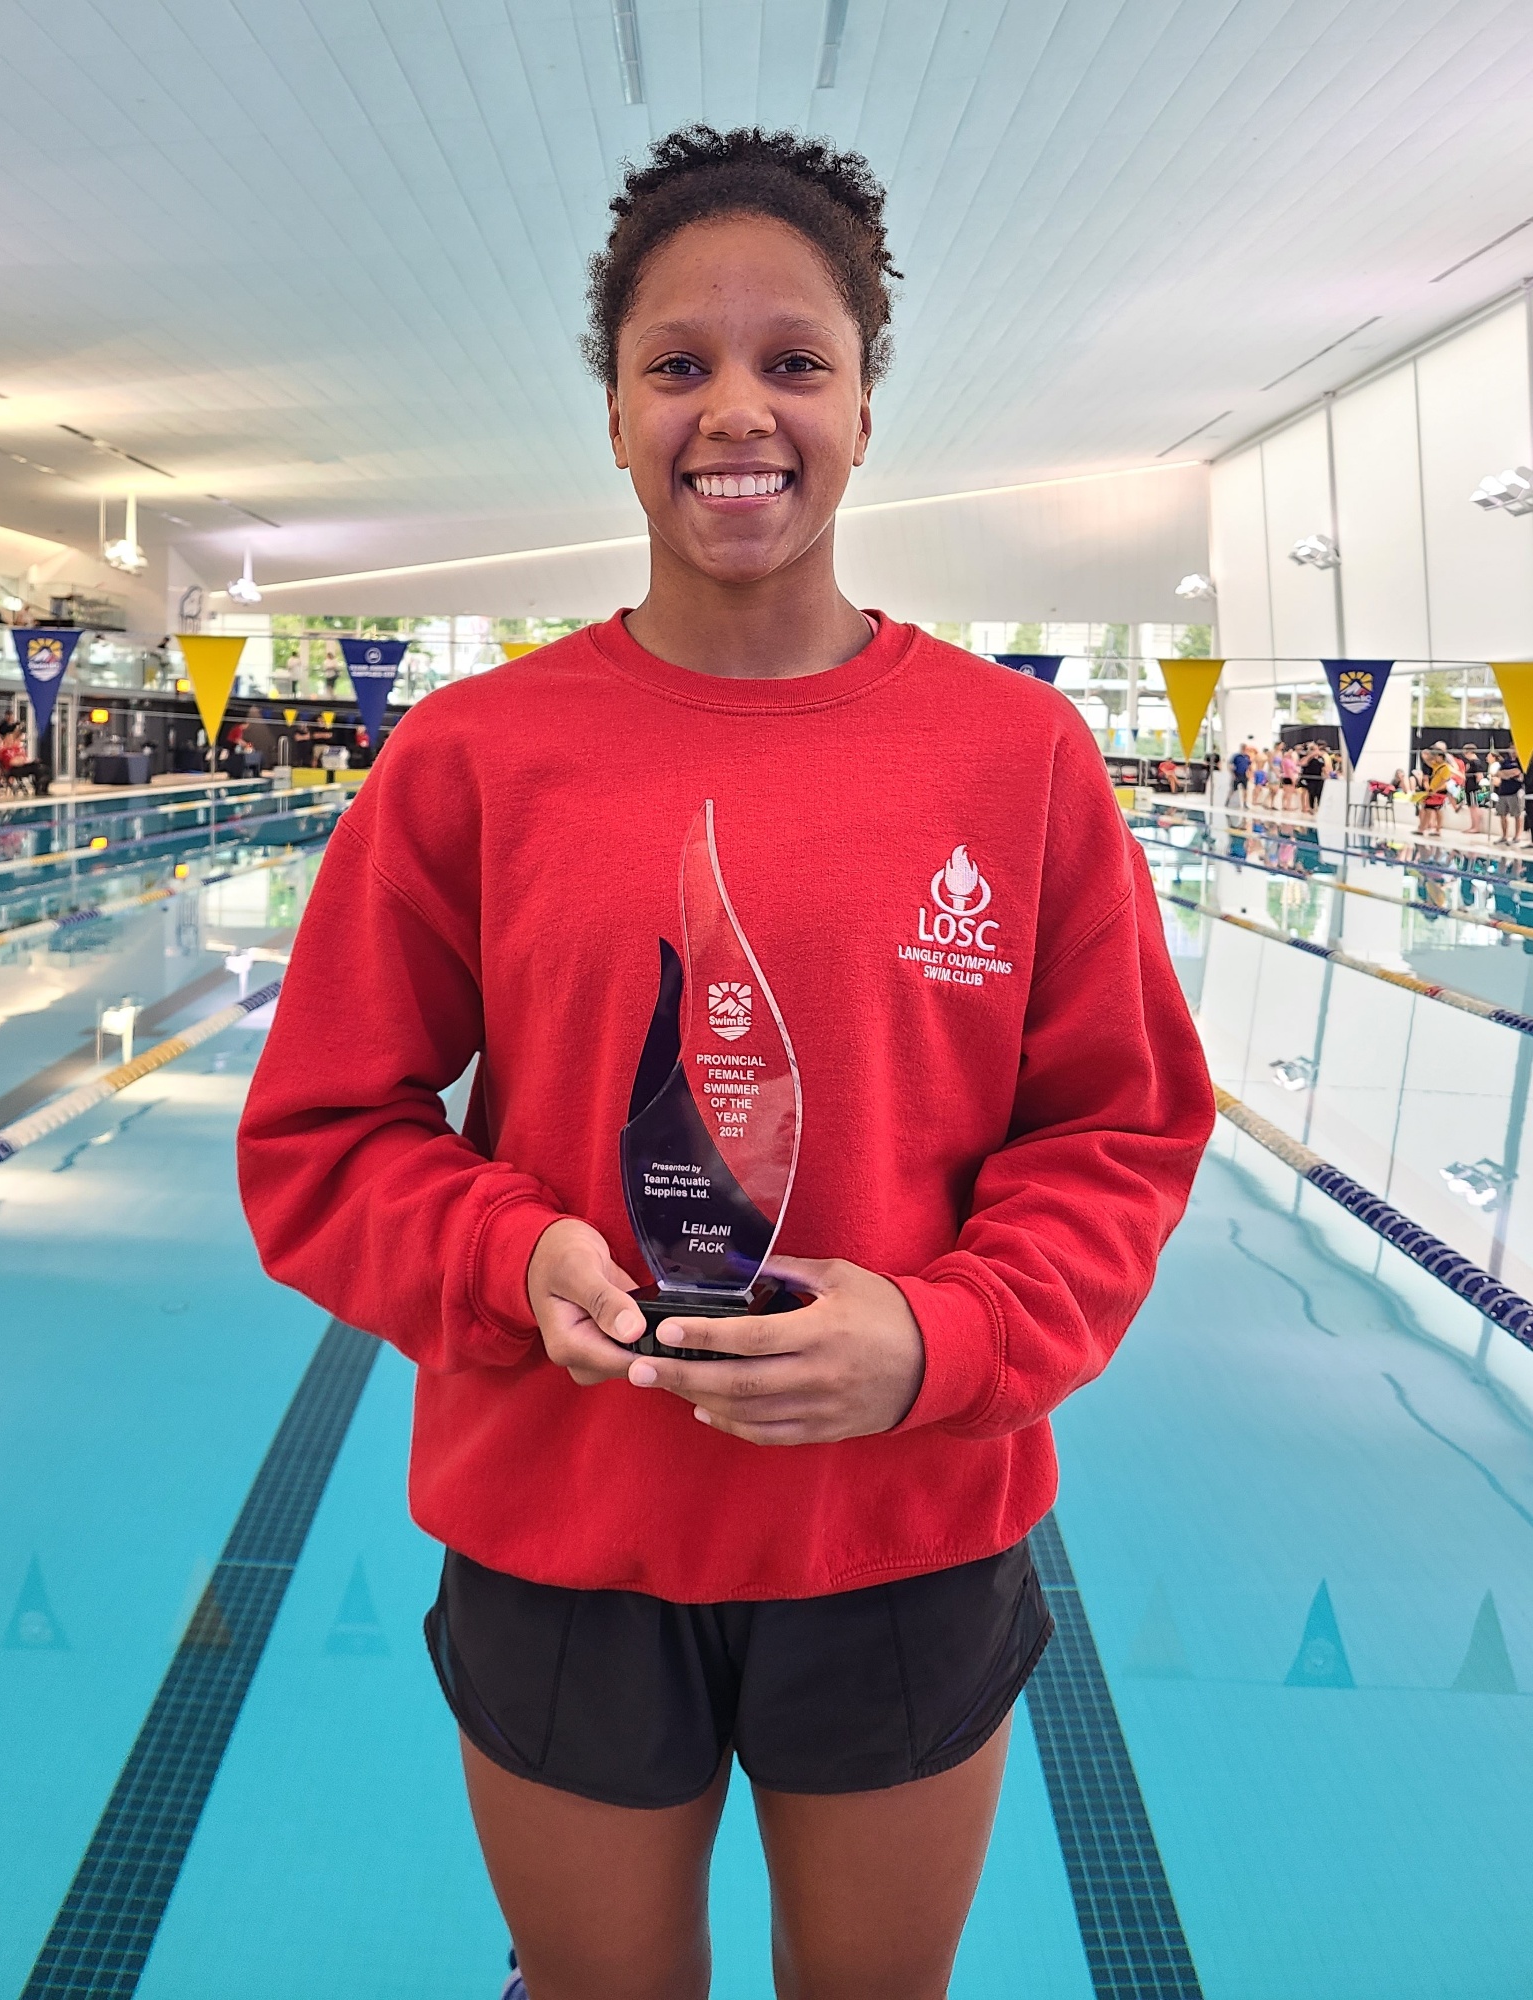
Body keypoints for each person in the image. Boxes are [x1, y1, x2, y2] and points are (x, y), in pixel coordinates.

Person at [237, 125, 1213, 2000]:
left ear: (865, 406)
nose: (735, 411)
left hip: (908, 1527)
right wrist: (503, 1254)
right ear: (611, 412)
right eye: (677, 362)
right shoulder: (470, 758)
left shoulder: (1016, 761)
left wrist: (943, 1339)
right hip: (565, 1529)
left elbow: (1119, 1132)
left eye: (796, 361)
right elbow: (325, 1137)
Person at [1494, 749, 1524, 844]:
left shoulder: (1520, 762)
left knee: (1517, 815)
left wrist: (1506, 774)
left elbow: (1517, 772)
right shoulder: (1505, 761)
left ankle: (1517, 836)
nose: (1513, 751)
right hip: (1503, 791)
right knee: (1502, 815)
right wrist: (1509, 774)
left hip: (1515, 791)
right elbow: (1498, 773)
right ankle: (1504, 836)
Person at [1300, 740, 1327, 812]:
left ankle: (1319, 807)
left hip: (1318, 778)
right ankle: (1310, 807)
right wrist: (1311, 755)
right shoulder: (1307, 758)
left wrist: (1326, 775)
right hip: (1310, 778)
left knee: (1319, 793)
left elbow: (1323, 767)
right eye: (1315, 750)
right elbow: (1303, 763)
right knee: (1311, 793)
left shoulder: (1320, 759)